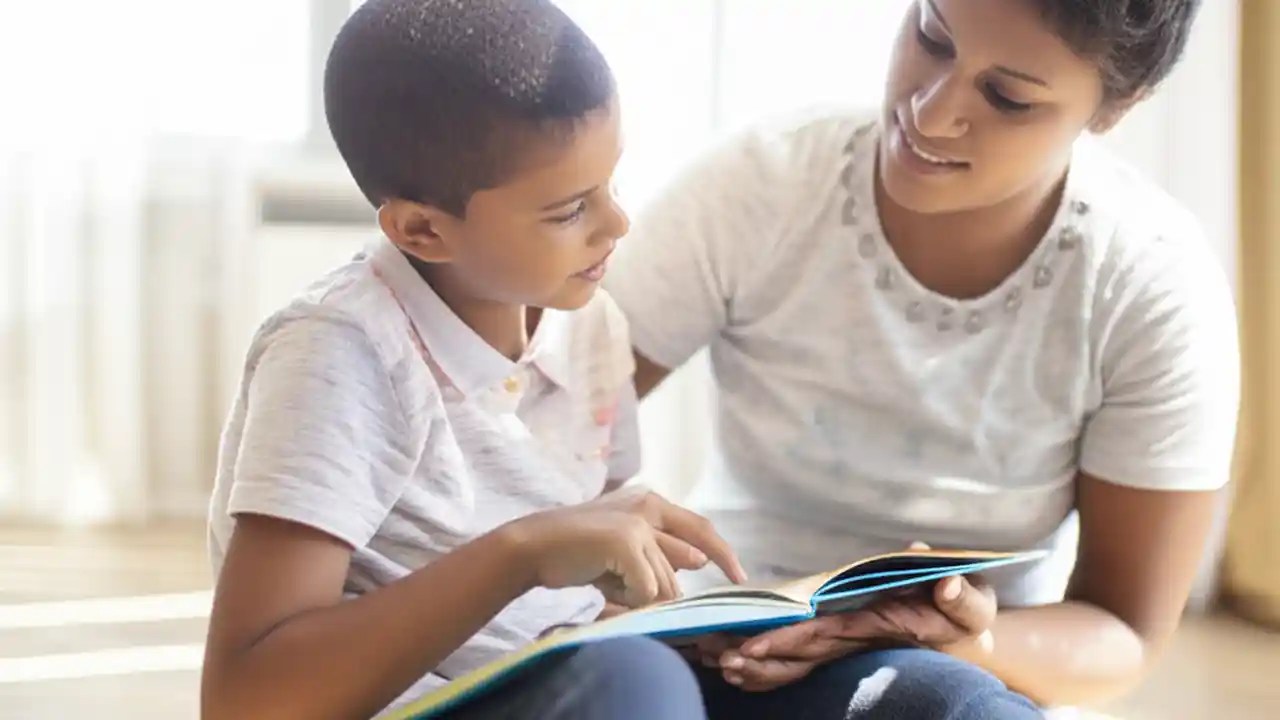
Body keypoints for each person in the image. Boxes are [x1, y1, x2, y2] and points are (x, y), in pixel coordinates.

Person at [606, 0, 1237, 716]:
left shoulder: (1149, 286)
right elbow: (547, 420)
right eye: (931, 36)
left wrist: (955, 642)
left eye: (1007, 97)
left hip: (940, 673)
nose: (930, 114)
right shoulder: (768, 184)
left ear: (1118, 105)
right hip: (708, 638)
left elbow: (1123, 630)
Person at [199, 1, 748, 718]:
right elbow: (249, 700)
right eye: (569, 210)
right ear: (422, 229)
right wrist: (519, 553)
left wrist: (707, 635)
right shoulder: (339, 353)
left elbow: (589, 613)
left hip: (565, 684)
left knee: (905, 687)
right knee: (634, 687)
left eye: (610, 183)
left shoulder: (590, 325)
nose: (618, 223)